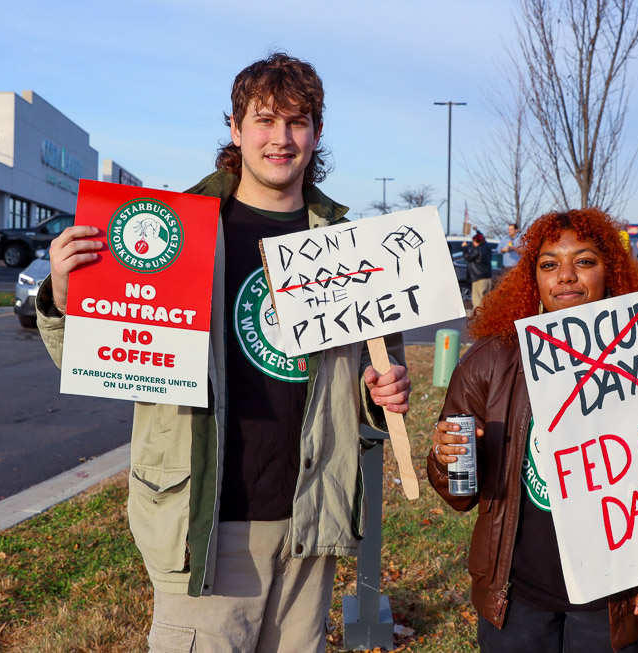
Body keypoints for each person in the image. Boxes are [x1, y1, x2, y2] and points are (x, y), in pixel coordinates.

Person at [36, 53, 410, 652]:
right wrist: (62, 297)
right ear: (235, 131)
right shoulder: (174, 232)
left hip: (310, 518)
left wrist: (384, 393)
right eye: (265, 120)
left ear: (316, 134)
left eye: (298, 121)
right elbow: (97, 356)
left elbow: (377, 367)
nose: (281, 138)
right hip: (208, 521)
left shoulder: (345, 248)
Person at [428, 209, 638, 653]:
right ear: (531, 280)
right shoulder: (489, 364)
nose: (567, 277)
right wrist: (448, 458)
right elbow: (457, 494)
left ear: (610, 271)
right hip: (518, 599)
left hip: (612, 603)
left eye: (585, 261)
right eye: (549, 264)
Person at [462, 230, 494, 307]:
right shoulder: (487, 247)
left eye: (474, 241)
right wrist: (478, 232)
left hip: (478, 279)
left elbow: (467, 257)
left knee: (477, 302)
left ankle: (478, 318)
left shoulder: (477, 250)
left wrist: (464, 248)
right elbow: (483, 240)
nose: (473, 243)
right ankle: (487, 317)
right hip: (487, 278)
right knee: (486, 302)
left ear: (477, 241)